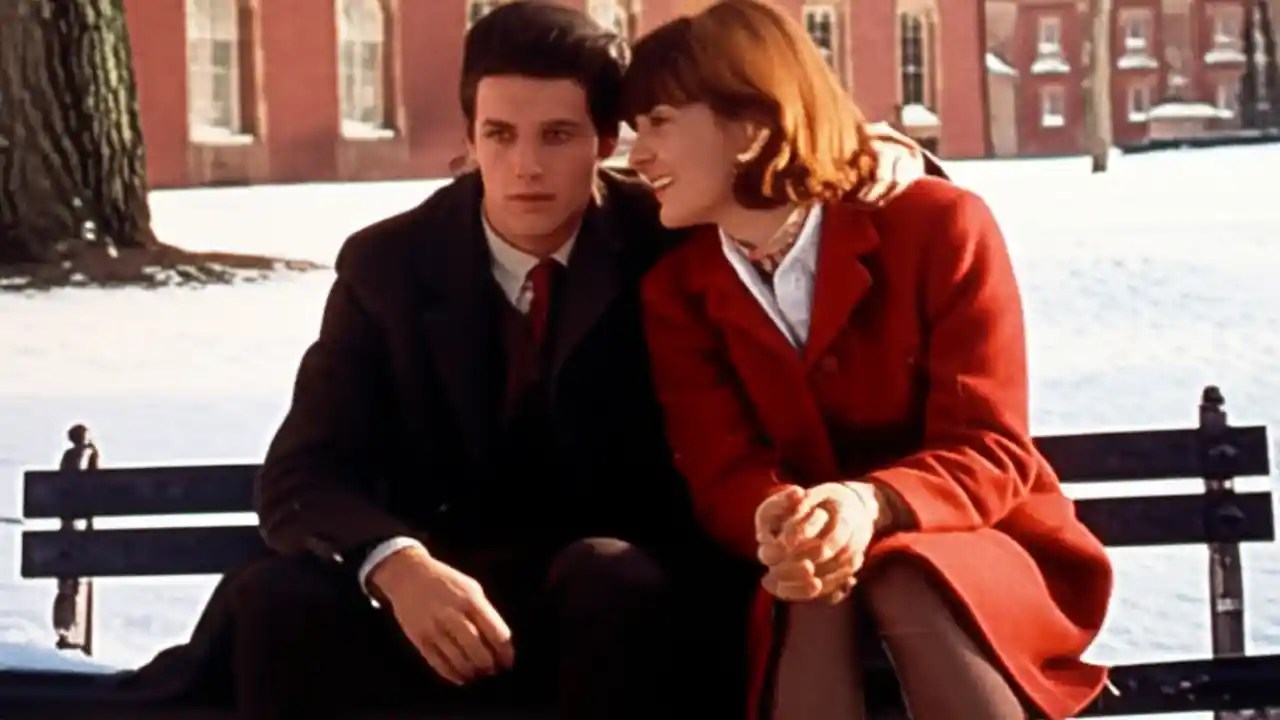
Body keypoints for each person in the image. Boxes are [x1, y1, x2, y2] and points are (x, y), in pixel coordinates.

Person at [102, 3, 945, 719]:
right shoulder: (390, 266)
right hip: (440, 591)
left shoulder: (670, 239)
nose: (526, 167)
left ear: (606, 141)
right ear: (470, 136)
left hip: (621, 601)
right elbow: (303, 474)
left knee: (609, 582)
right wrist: (397, 563)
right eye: (499, 135)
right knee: (278, 604)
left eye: (558, 135)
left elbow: (787, 184)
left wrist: (882, 158)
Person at [622, 2, 1114, 720]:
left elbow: (990, 446)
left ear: (751, 127)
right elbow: (720, 466)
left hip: (980, 548)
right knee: (815, 581)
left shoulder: (938, 226)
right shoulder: (678, 289)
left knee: (901, 569)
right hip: (801, 571)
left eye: (659, 123)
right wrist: (782, 518)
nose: (637, 155)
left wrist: (869, 504)